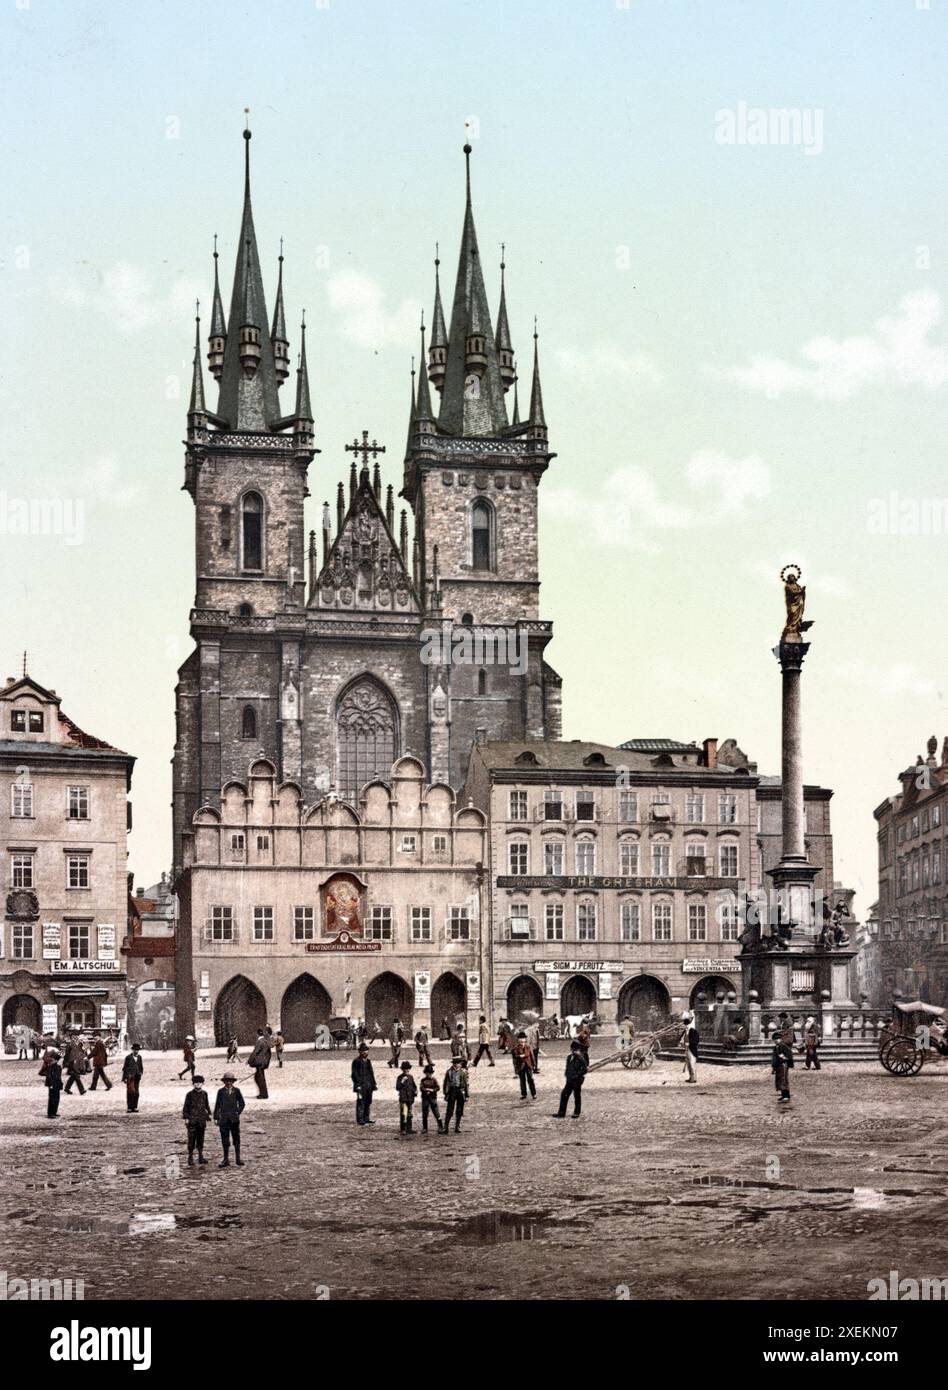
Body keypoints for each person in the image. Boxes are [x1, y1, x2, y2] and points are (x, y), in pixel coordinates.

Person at [214, 1070, 246, 1166]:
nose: (228, 1083)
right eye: (227, 1081)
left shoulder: (237, 1091)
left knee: (236, 1139)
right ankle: (226, 1159)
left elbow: (242, 1103)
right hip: (223, 1119)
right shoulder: (220, 1092)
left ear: (233, 1082)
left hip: (234, 1119)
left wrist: (237, 1112)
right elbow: (217, 1105)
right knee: (225, 1139)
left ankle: (238, 1159)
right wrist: (216, 1117)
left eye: (230, 1081)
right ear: (224, 1081)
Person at [182, 1074, 211, 1165]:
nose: (198, 1084)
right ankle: (190, 1157)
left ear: (202, 1084)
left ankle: (200, 1156)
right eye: (196, 1083)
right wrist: (186, 1118)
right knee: (191, 1139)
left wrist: (209, 1114)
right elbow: (186, 1107)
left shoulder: (205, 1094)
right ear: (193, 1084)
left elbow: (207, 1105)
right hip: (192, 1120)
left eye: (199, 1083)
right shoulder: (189, 1095)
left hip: (201, 1120)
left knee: (200, 1138)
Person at [556, 1041, 588, 1119]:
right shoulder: (569, 1057)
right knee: (564, 1094)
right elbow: (568, 1068)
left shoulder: (581, 1058)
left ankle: (577, 1112)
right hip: (569, 1080)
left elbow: (585, 1070)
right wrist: (567, 1075)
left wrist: (577, 1075)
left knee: (577, 1096)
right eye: (573, 1049)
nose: (575, 1051)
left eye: (576, 1050)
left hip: (577, 1081)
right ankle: (561, 1112)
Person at [351, 1044, 377, 1125]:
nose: (365, 1052)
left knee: (368, 1101)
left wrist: (373, 1084)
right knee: (361, 1102)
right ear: (359, 1052)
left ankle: (366, 1118)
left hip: (368, 1085)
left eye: (366, 1051)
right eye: (363, 1051)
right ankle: (360, 1119)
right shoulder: (356, 1061)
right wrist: (358, 1085)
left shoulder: (368, 1061)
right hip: (360, 1086)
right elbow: (354, 1074)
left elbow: (371, 1073)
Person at [443, 1056, 469, 1133]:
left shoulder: (463, 1072)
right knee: (450, 1110)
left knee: (459, 1110)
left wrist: (467, 1095)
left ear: (460, 1064)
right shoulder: (449, 1072)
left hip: (460, 1091)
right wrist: (446, 1093)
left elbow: (465, 1084)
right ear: (453, 1064)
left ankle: (457, 1126)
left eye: (458, 1063)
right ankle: (446, 1127)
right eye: (455, 1063)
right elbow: (446, 1083)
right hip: (452, 1091)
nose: (456, 1065)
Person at [512, 1030, 537, 1100]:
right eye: (520, 1042)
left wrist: (534, 1065)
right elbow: (515, 1059)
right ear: (518, 1041)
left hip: (528, 1065)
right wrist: (516, 1070)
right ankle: (524, 1094)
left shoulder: (528, 1047)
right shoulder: (516, 1048)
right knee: (522, 1081)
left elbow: (532, 1056)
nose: (522, 1043)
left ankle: (534, 1094)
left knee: (530, 1080)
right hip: (520, 1066)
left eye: (523, 1041)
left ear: (525, 1040)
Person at [419, 1064, 444, 1134]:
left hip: (433, 1098)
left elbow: (438, 1087)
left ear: (432, 1073)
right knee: (425, 1113)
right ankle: (425, 1128)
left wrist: (432, 1090)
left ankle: (440, 1127)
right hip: (425, 1098)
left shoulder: (434, 1080)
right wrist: (426, 1090)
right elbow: (421, 1088)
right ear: (425, 1073)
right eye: (427, 1073)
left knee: (436, 1113)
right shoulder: (423, 1080)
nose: (428, 1074)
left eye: (430, 1073)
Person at [396, 1060, 417, 1136]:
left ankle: (409, 1128)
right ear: (402, 1069)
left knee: (410, 1114)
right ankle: (403, 1129)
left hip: (410, 1098)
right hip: (403, 1098)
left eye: (408, 1069)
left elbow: (414, 1086)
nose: (406, 1070)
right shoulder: (399, 1077)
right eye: (405, 1069)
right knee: (404, 1113)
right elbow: (397, 1087)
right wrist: (402, 1082)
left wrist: (415, 1091)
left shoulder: (411, 1077)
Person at [772, 1032, 794, 1103]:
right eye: (774, 1039)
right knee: (779, 1080)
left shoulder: (783, 1046)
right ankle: (783, 1095)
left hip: (783, 1065)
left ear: (780, 1039)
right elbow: (774, 1058)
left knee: (784, 1080)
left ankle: (786, 1096)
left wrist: (785, 1058)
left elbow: (789, 1054)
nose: (776, 1040)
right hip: (778, 1066)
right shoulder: (776, 1047)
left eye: (777, 1039)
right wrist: (774, 1067)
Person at [249, 1028, 271, 1098]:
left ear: (257, 1034)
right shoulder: (265, 1041)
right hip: (263, 1063)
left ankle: (263, 1094)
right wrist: (266, 1062)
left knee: (259, 1078)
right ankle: (263, 1093)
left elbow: (255, 1052)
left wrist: (250, 1061)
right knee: (260, 1078)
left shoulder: (259, 1042)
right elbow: (269, 1053)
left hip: (259, 1063)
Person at [122, 1043, 144, 1112]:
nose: (136, 1051)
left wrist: (140, 1072)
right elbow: (125, 1068)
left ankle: (134, 1107)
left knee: (136, 1092)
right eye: (135, 1050)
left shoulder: (140, 1057)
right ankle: (129, 1107)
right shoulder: (128, 1057)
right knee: (130, 1091)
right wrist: (124, 1078)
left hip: (137, 1076)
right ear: (132, 1050)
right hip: (130, 1077)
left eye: (137, 1050)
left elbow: (141, 1066)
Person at [44, 1048, 63, 1119]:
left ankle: (54, 1112)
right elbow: (51, 1076)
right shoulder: (53, 1066)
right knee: (52, 1099)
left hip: (56, 1084)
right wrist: (51, 1084)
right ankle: (50, 1113)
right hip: (53, 1084)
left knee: (56, 1098)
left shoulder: (57, 1066)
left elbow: (58, 1077)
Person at [682, 1011, 699, 1083]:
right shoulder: (685, 1031)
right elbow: (682, 1038)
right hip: (687, 1049)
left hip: (692, 1049)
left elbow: (696, 1040)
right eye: (685, 1025)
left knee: (692, 1064)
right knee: (688, 1064)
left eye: (687, 1025)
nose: (686, 1027)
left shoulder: (693, 1031)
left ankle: (694, 1078)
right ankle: (690, 1077)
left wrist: (689, 1043)